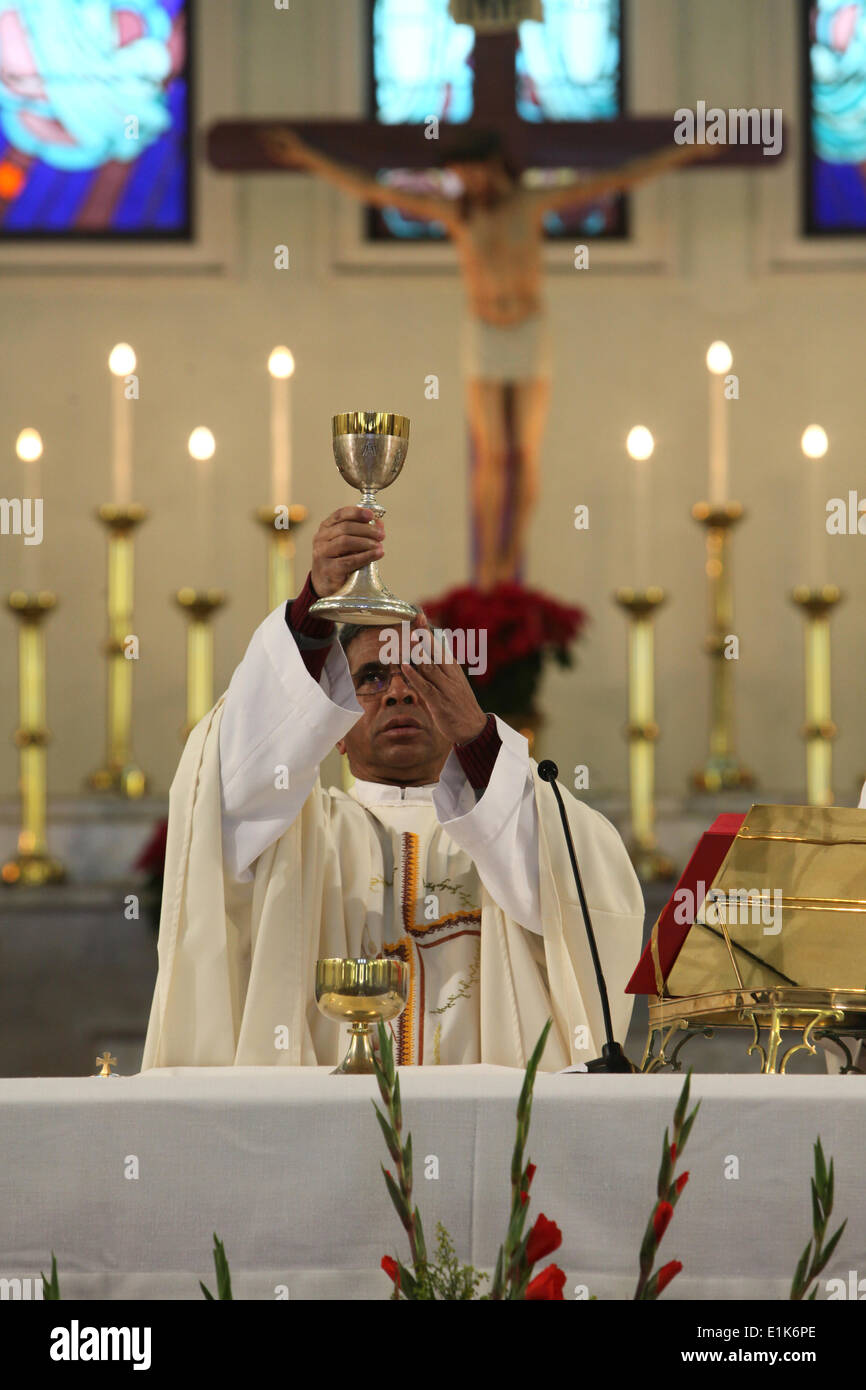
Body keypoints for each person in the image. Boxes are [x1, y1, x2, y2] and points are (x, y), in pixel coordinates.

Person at [141, 505, 645, 1071]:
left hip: (496, 1136)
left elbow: (579, 888)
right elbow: (224, 785)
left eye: (422, 673)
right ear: (326, 723)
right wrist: (312, 610)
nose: (400, 693)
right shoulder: (297, 832)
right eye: (372, 678)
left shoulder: (513, 815)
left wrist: (478, 738)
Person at [260, 126, 717, 589]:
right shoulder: (459, 214)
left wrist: (689, 150)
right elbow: (375, 191)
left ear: (493, 165)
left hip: (528, 331)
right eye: (460, 177)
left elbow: (616, 180)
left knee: (524, 452)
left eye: (472, 173)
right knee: (493, 456)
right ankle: (488, 567)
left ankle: (510, 554)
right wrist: (306, 158)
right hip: (484, 335)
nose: (469, 185)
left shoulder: (530, 203)